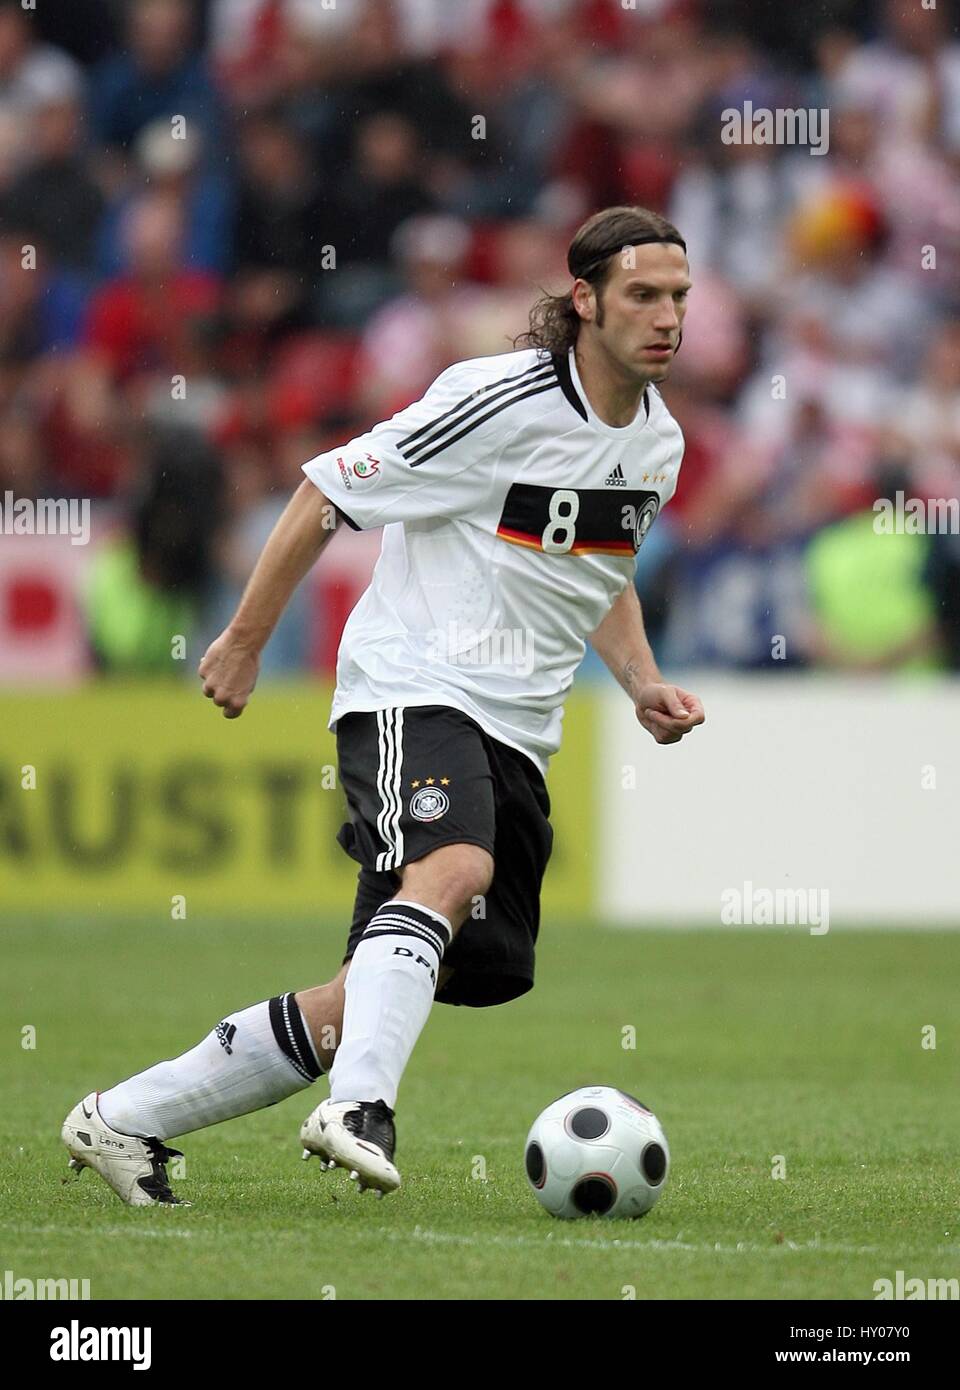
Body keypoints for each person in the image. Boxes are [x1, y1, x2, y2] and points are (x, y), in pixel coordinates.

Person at [61, 205, 706, 1205]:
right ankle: (360, 1108)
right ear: (584, 300)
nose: (667, 316)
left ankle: (124, 1120)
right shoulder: (493, 400)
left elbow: (600, 566)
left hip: (520, 733)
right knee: (454, 864)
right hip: (416, 683)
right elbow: (325, 492)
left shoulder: (656, 441)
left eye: (678, 296)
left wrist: (641, 682)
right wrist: (242, 637)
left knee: (363, 994)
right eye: (642, 295)